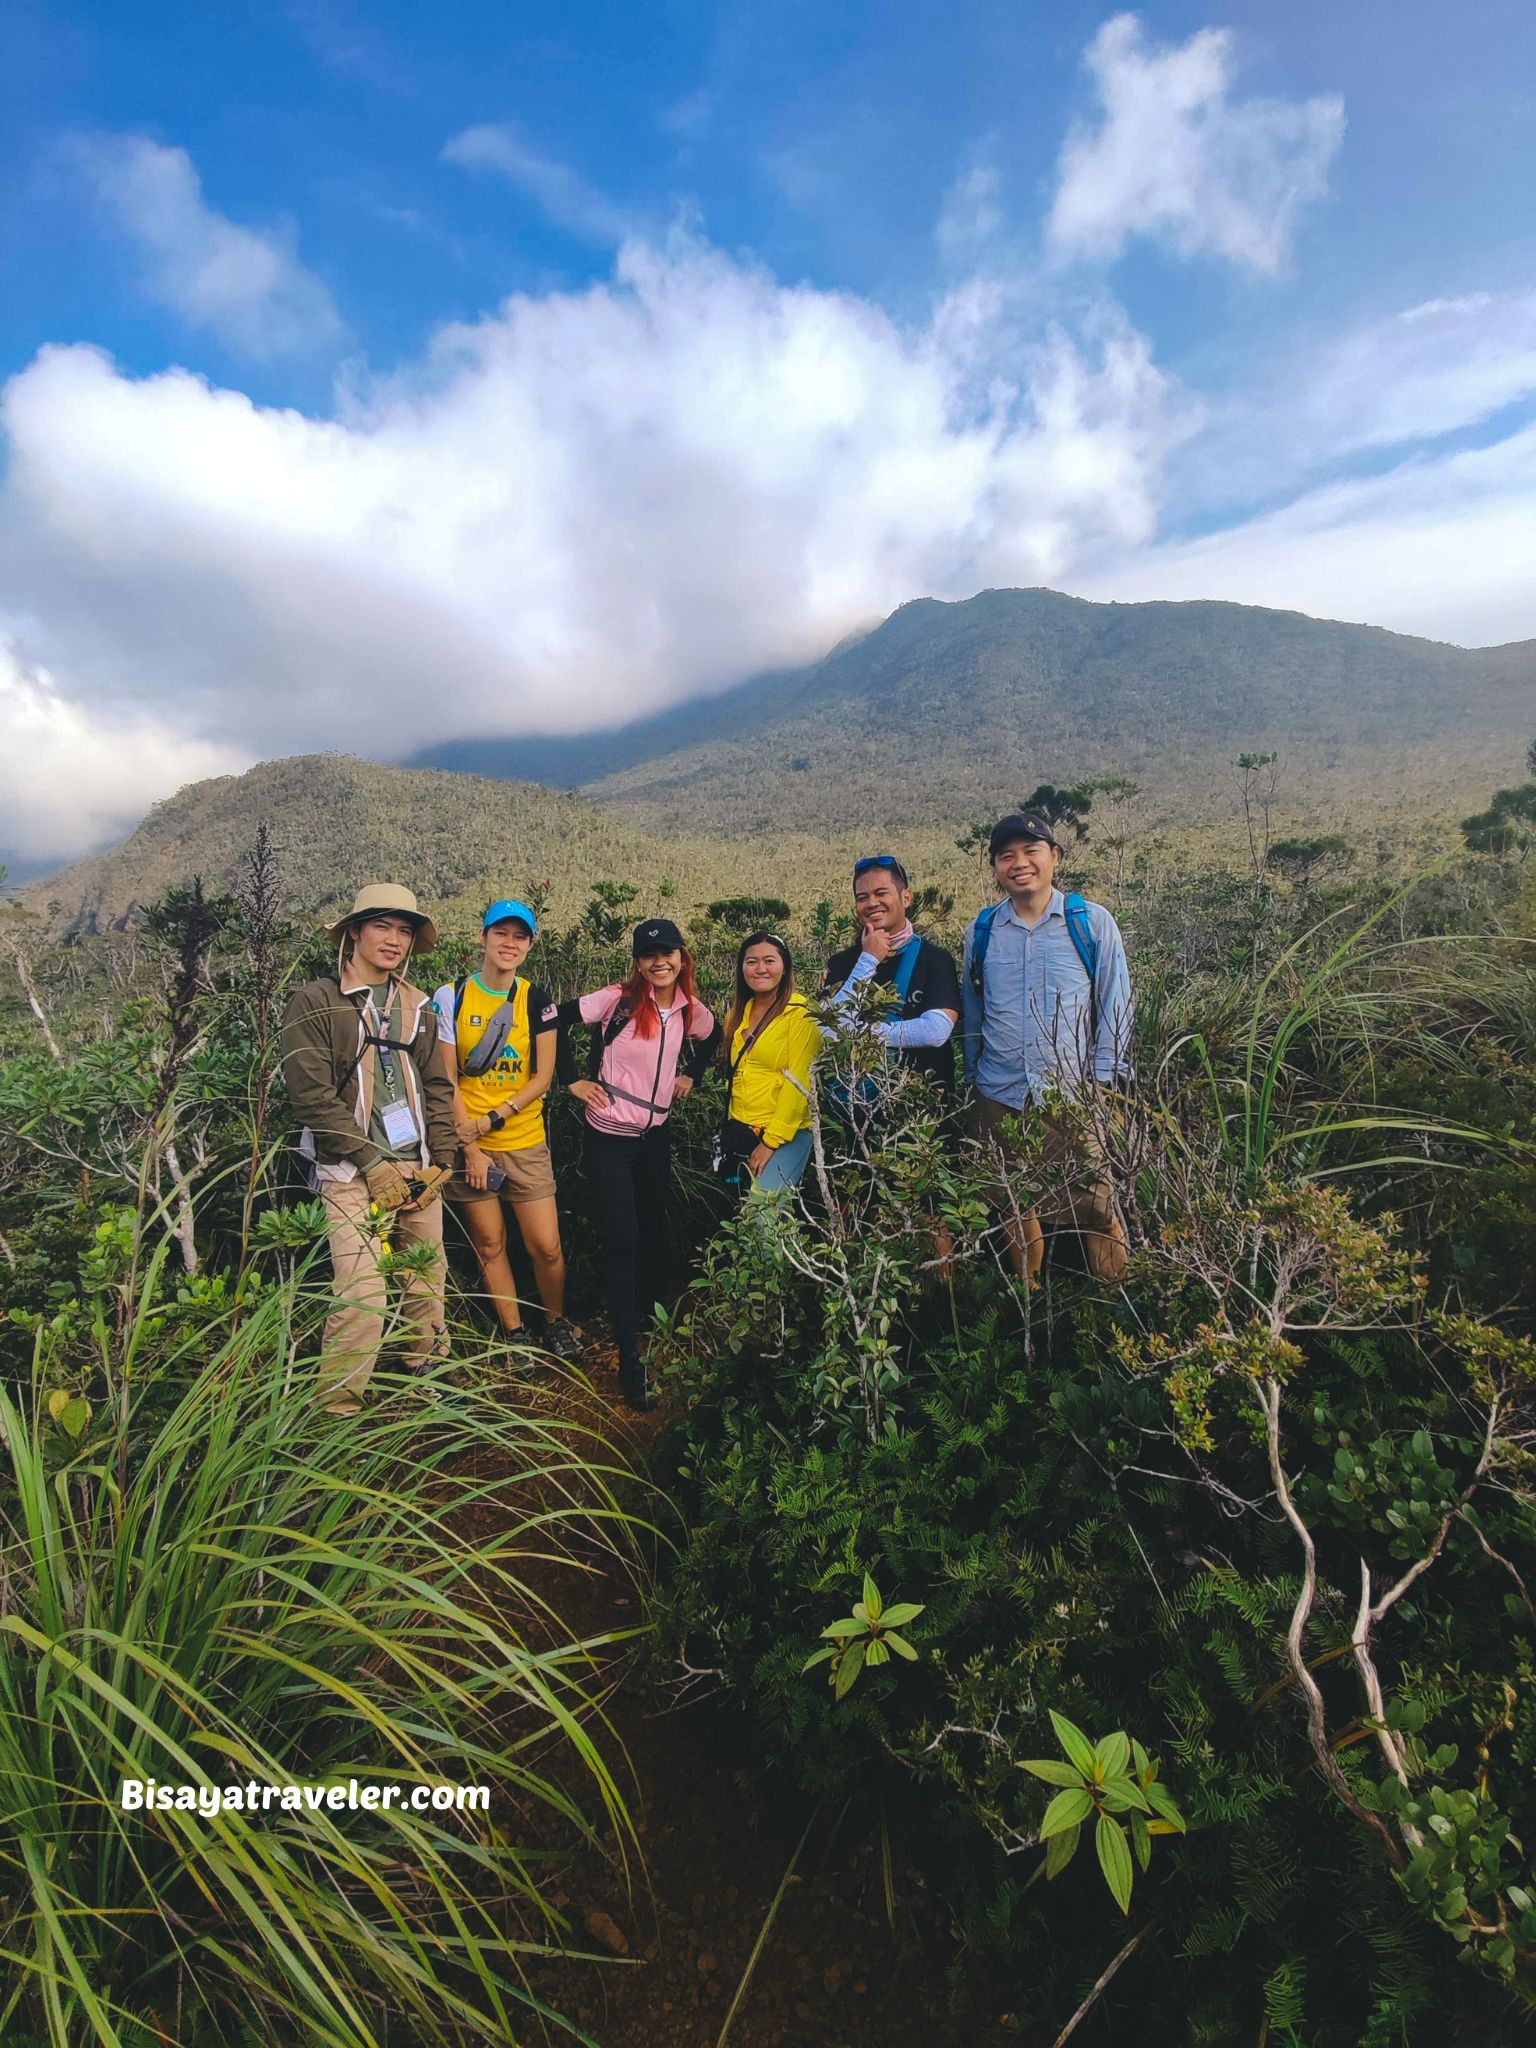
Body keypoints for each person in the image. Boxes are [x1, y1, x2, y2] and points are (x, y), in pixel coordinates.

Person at [280, 883, 456, 1416]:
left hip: (415, 1165)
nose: (394, 939)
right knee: (362, 1291)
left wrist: (442, 1162)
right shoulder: (317, 1000)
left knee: (426, 1279)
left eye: (404, 931)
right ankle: (338, 1409)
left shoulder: (416, 1006)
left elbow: (437, 1086)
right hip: (347, 1170)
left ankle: (423, 1375)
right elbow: (309, 1095)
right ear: (354, 931)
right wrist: (371, 1163)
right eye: (382, 926)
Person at [960, 811, 1134, 1285]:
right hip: (1001, 1091)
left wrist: (1102, 1085)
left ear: (1054, 857)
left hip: (1073, 1094)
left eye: (1031, 852)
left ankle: (1114, 1304)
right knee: (1015, 1203)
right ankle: (1029, 1299)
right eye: (1006, 856)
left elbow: (1115, 1005)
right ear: (995, 867)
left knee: (1097, 1208)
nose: (1020, 863)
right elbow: (973, 1009)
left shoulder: (1091, 923)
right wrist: (975, 1076)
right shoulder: (982, 932)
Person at [562, 919, 717, 1410]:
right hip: (609, 1136)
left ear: (681, 956)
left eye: (668, 952)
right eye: (649, 955)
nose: (659, 962)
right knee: (623, 1238)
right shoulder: (617, 1000)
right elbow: (550, 1018)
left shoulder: (690, 1008)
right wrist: (571, 1081)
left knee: (653, 1226)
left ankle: (649, 1318)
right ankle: (630, 1354)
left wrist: (690, 1073)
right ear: (637, 961)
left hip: (656, 1136)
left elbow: (712, 1038)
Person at [433, 899, 581, 1359]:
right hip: (468, 1144)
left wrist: (493, 1119)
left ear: (530, 945)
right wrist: (471, 1145)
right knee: (490, 1243)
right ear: (483, 936)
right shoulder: (450, 996)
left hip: (523, 1140)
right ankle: (514, 1332)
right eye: (501, 933)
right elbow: (446, 1078)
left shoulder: (536, 1000)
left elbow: (542, 1078)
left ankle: (555, 1321)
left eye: (520, 936)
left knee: (547, 1247)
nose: (509, 943)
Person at [822, 854, 963, 1104]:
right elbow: (827, 1030)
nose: (872, 903)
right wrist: (868, 960)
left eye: (881, 893)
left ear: (906, 897)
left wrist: (860, 1035)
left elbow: (935, 1031)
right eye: (862, 897)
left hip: (923, 1107)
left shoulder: (935, 959)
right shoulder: (841, 964)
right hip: (854, 1106)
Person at [716, 931, 821, 1196]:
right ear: (741, 968)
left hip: (786, 1133)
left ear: (784, 968)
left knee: (764, 1214)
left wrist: (770, 1141)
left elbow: (799, 1083)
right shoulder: (737, 1015)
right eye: (751, 962)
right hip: (742, 1130)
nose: (760, 968)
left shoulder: (801, 1015)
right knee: (742, 1214)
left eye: (769, 961)